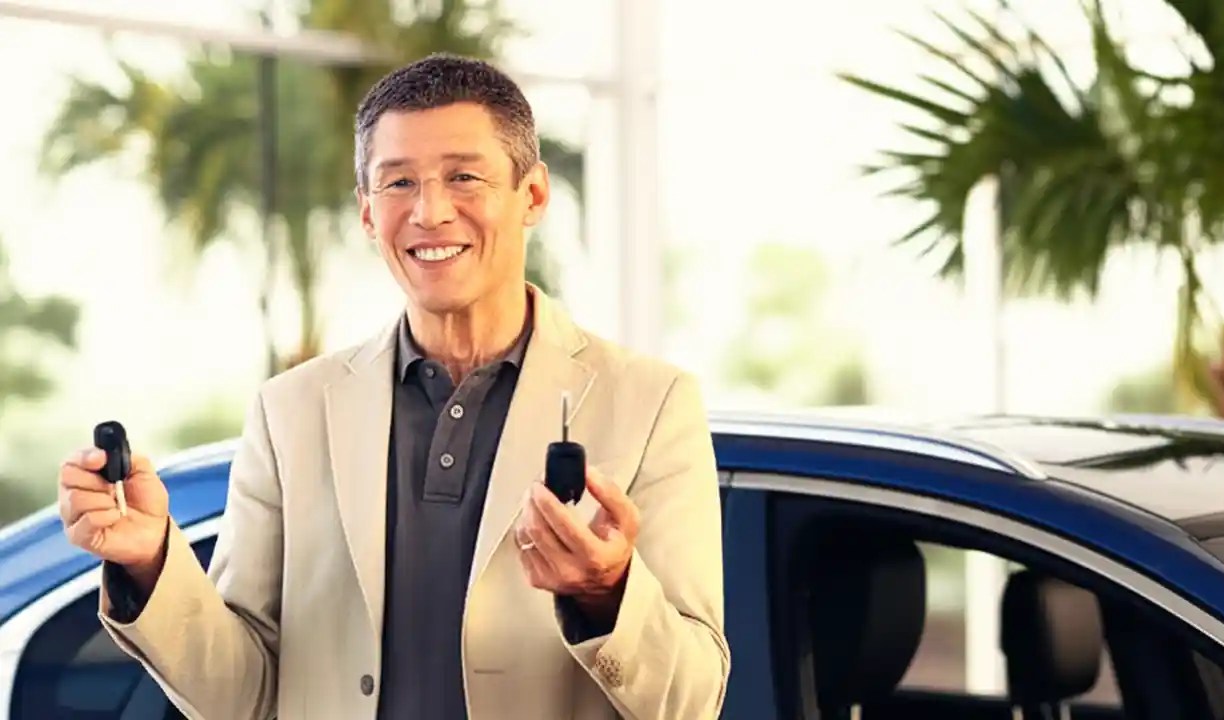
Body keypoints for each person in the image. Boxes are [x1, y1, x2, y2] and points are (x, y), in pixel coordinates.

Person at [57, 53, 729, 720]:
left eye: (464, 176)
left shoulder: (651, 404)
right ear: (367, 213)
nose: (430, 212)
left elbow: (693, 702)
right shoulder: (290, 412)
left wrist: (608, 591)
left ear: (532, 195)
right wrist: (150, 561)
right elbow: (241, 697)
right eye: (399, 182)